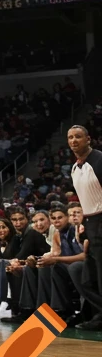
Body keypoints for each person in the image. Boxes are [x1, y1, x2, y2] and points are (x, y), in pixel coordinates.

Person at [67, 124, 102, 330]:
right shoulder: (74, 167)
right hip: (90, 223)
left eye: (78, 137)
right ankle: (99, 315)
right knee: (88, 280)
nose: (73, 141)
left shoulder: (98, 160)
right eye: (70, 137)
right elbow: (84, 200)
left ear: (88, 139)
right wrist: (83, 226)